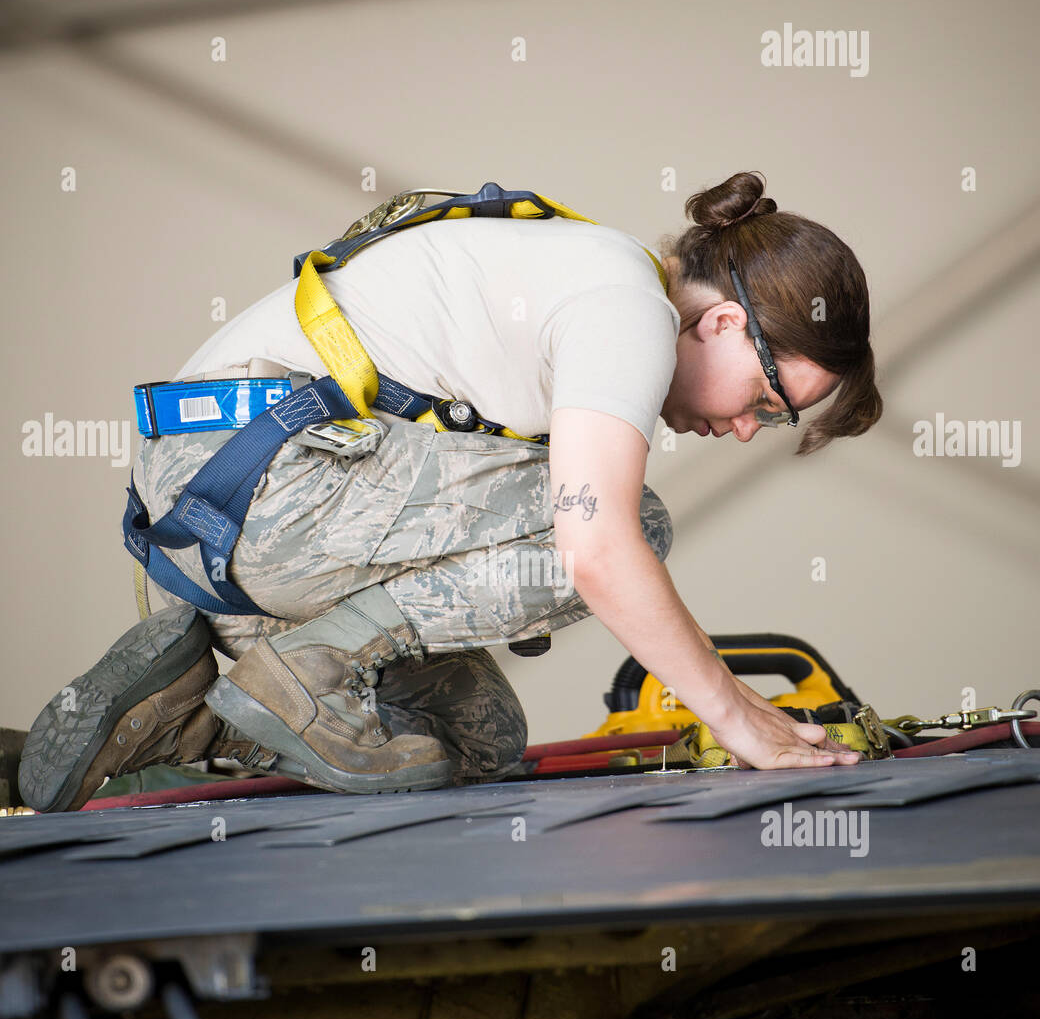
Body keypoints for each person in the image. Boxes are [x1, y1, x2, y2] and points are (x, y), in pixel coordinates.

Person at [19, 171, 881, 813]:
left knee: (478, 740)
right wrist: (736, 716)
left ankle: (187, 713)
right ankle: (305, 669)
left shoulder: (581, 270)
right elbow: (597, 548)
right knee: (634, 525)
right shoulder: (626, 305)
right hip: (273, 488)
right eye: (767, 404)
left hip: (216, 517)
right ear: (726, 322)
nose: (742, 430)